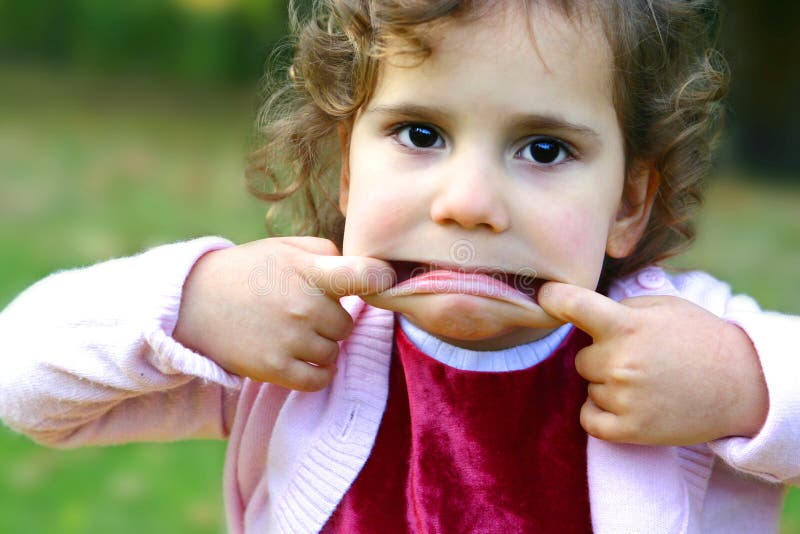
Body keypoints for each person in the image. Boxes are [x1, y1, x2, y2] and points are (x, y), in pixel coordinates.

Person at [1, 1, 798, 532]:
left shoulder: (680, 348)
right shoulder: (299, 336)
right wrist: (196, 302)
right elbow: (22, 380)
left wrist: (744, 387)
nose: (469, 202)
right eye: (421, 134)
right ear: (349, 170)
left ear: (627, 202)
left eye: (544, 149)